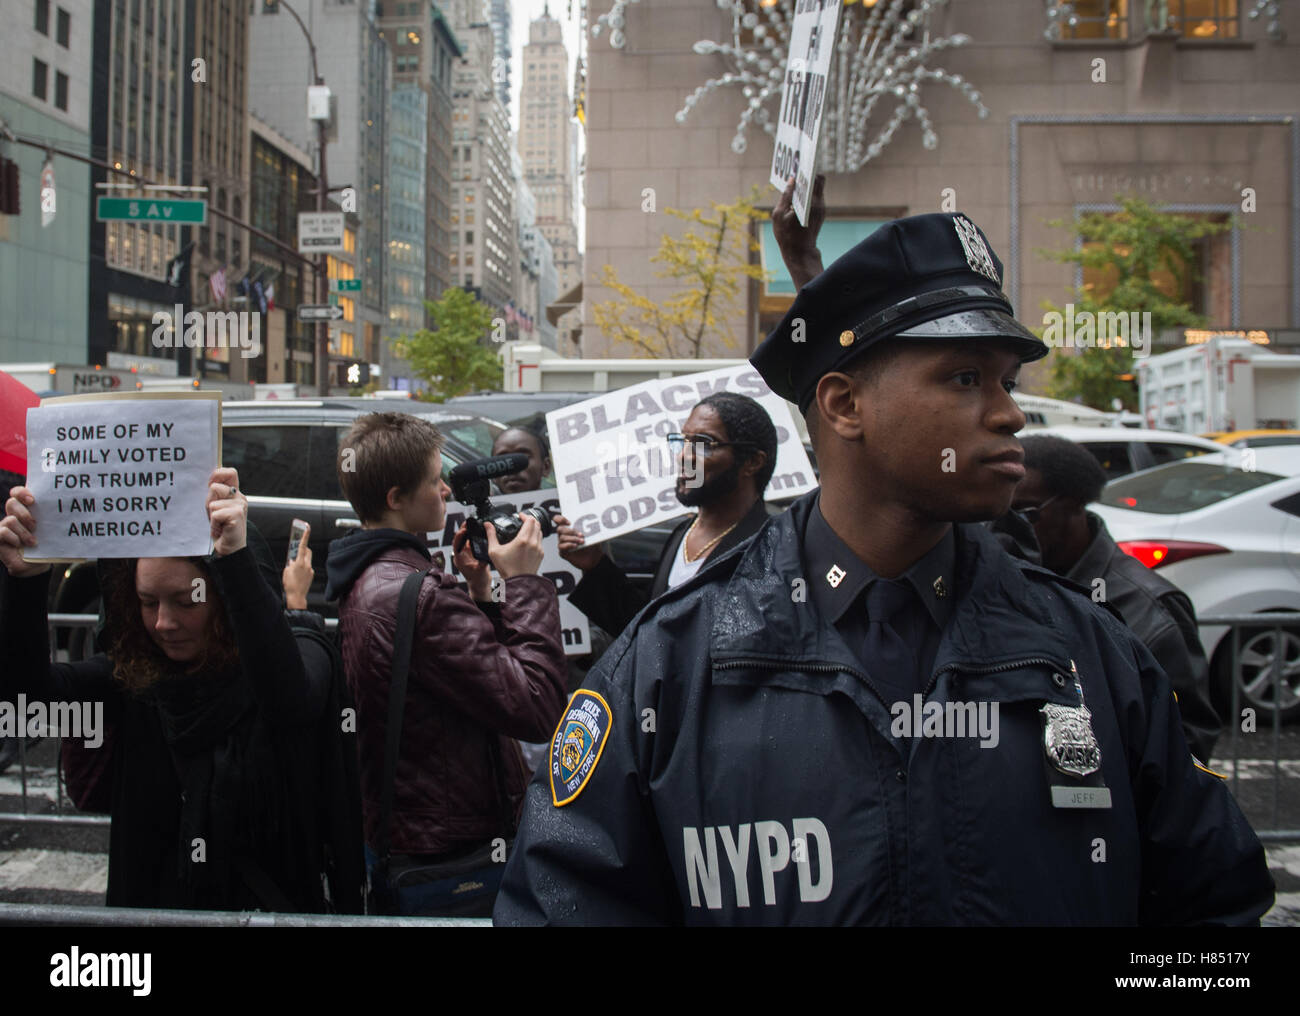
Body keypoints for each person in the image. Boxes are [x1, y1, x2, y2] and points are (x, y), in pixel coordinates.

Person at [493, 197, 1274, 925]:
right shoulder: (665, 668)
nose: (1009, 412)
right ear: (843, 405)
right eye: (965, 377)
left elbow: (1216, 912)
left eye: (1006, 380)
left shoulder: (1092, 657)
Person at [0, 469, 363, 912]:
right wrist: (24, 583)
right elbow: (31, 705)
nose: (163, 624)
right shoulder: (138, 680)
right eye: (148, 602)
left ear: (227, 599)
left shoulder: (300, 655)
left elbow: (288, 700)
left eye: (186, 600)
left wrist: (234, 559)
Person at [322, 412, 568, 915]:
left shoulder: (366, 575)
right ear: (396, 499)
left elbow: (457, 679)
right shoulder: (416, 593)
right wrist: (524, 582)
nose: (447, 493)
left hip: (412, 838)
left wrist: (480, 596)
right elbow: (537, 705)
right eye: (435, 482)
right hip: (457, 862)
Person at [1013, 434, 1222, 763]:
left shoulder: (1150, 608)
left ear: (1072, 504)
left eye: (1023, 512)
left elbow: (1187, 743)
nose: (1005, 527)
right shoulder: (1008, 585)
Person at [554, 392, 779, 639]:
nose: (684, 456)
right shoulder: (683, 533)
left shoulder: (772, 550)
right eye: (682, 441)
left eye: (703, 444)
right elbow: (649, 636)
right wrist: (595, 566)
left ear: (753, 462)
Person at [491, 421, 553, 495]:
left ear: (546, 467)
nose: (512, 467)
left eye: (522, 458)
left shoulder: (566, 504)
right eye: (503, 460)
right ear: (492, 474)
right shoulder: (475, 506)